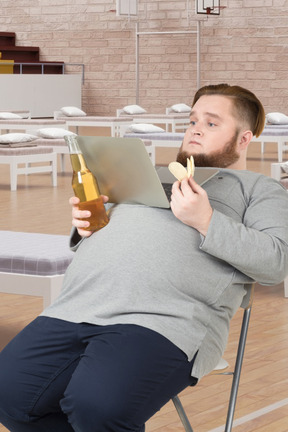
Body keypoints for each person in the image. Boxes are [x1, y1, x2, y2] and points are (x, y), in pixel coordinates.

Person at [0, 83, 288, 432]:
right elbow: (112, 237)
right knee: (9, 397)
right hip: (75, 307)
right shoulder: (144, 173)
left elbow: (277, 263)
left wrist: (206, 220)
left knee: (97, 407)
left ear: (243, 139)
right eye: (193, 120)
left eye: (211, 124)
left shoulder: (258, 190)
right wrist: (88, 225)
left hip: (164, 321)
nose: (195, 128)